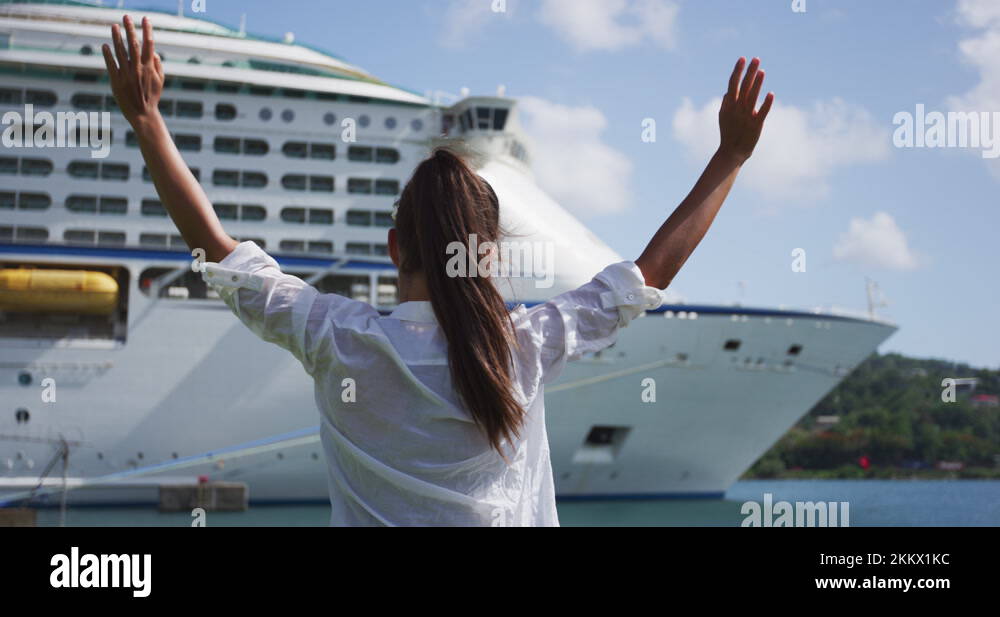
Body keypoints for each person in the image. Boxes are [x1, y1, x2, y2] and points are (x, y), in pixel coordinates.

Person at [102, 15, 773, 526]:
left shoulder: (336, 336)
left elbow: (219, 251)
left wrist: (146, 119)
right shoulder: (524, 347)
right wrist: (731, 156)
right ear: (492, 255)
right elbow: (647, 273)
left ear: (396, 248)